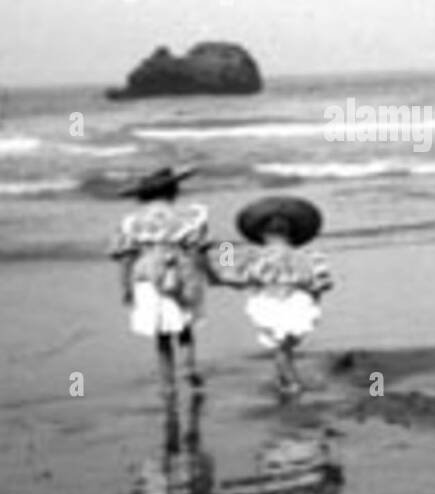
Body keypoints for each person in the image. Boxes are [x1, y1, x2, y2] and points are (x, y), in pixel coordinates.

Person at [216, 196, 333, 396]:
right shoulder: (308, 257)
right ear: (292, 233)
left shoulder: (255, 257)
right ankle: (286, 381)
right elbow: (320, 284)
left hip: (268, 303)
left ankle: (291, 384)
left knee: (280, 349)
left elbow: (234, 279)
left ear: (262, 234)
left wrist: (223, 254)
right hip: (298, 303)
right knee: (285, 348)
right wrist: (315, 303)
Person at [109, 166, 211, 391]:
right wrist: (209, 273)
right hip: (182, 272)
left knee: (161, 333)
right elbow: (198, 250)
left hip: (146, 276)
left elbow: (126, 257)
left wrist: (125, 286)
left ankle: (167, 382)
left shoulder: (131, 221)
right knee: (185, 326)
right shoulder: (190, 217)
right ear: (174, 191)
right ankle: (189, 367)